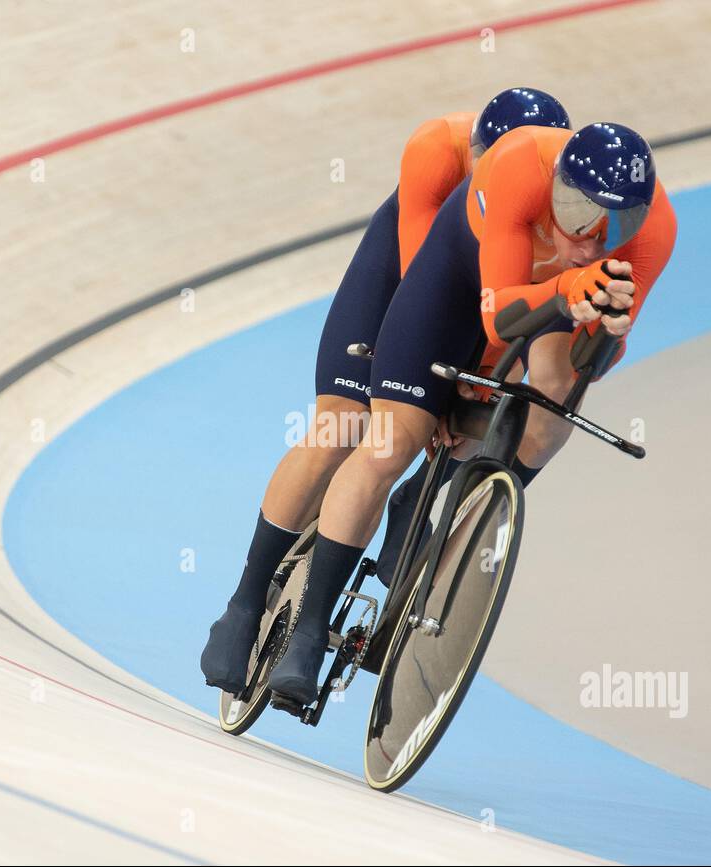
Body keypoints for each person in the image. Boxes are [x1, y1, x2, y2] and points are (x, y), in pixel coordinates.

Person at [267, 122, 678, 706]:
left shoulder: (655, 232)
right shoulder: (518, 164)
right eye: (582, 223)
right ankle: (305, 633)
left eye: (614, 231)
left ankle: (463, 506)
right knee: (388, 444)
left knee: (558, 401)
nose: (593, 243)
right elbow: (498, 323)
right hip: (464, 274)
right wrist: (568, 290)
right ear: (559, 193)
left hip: (554, 292)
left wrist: (608, 331)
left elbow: (595, 362)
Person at [200, 90, 571, 694]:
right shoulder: (437, 150)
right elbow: (422, 287)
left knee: (504, 410)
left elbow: (516, 321)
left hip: (494, 293)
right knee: (339, 429)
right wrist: (428, 389)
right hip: (412, 276)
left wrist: (474, 393)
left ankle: (427, 498)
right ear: (473, 156)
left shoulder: (560, 211)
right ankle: (243, 603)